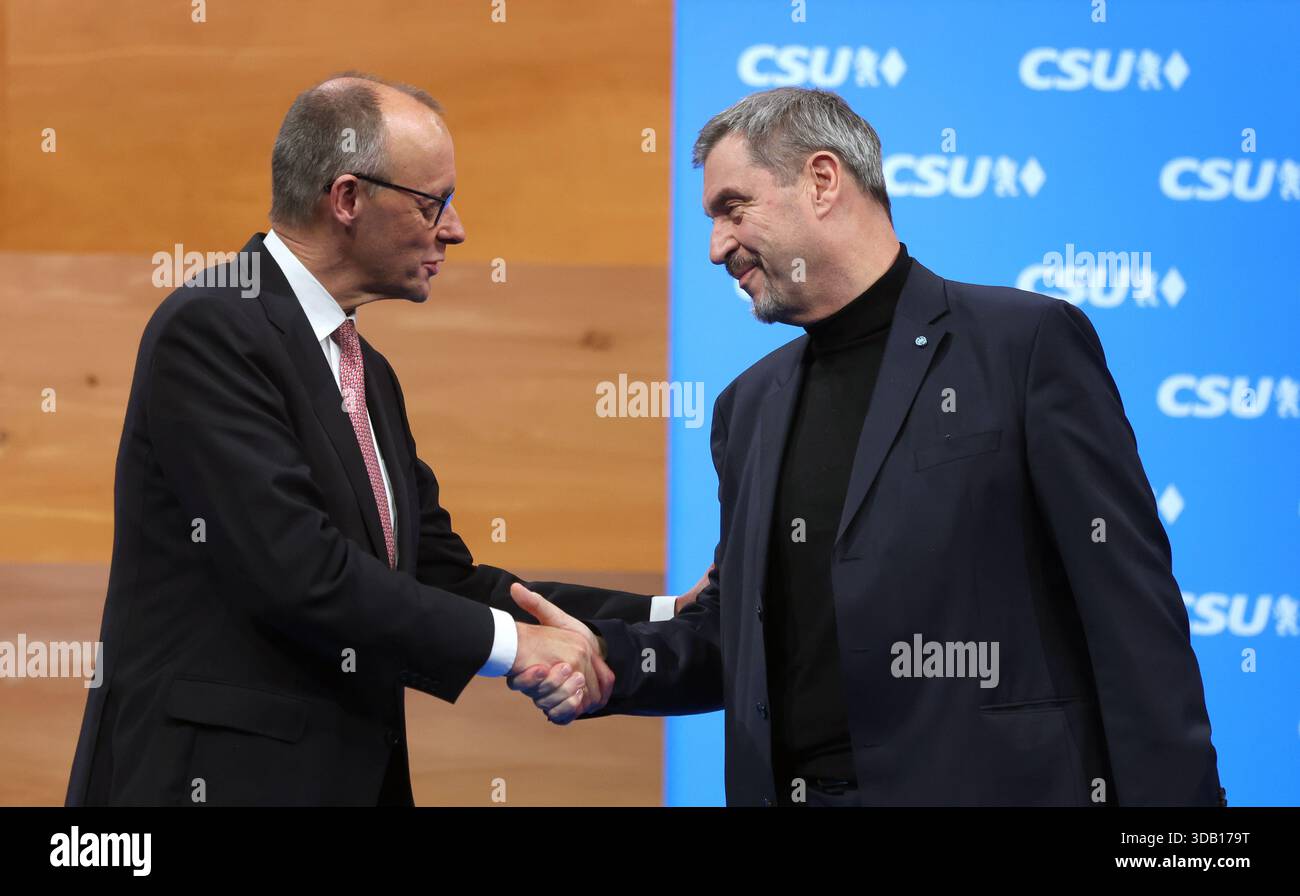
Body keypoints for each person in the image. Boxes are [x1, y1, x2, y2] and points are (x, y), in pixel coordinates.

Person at [510, 87, 1226, 807]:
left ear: (822, 181)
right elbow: (737, 638)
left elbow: (1132, 620)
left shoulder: (1025, 345)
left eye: (734, 208)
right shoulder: (747, 408)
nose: (716, 245)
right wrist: (605, 658)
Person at [66, 71, 698, 807]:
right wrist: (516, 648)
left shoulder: (368, 372)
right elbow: (301, 573)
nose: (454, 230)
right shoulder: (212, 328)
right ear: (347, 199)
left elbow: (438, 578)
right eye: (435, 203)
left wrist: (660, 616)